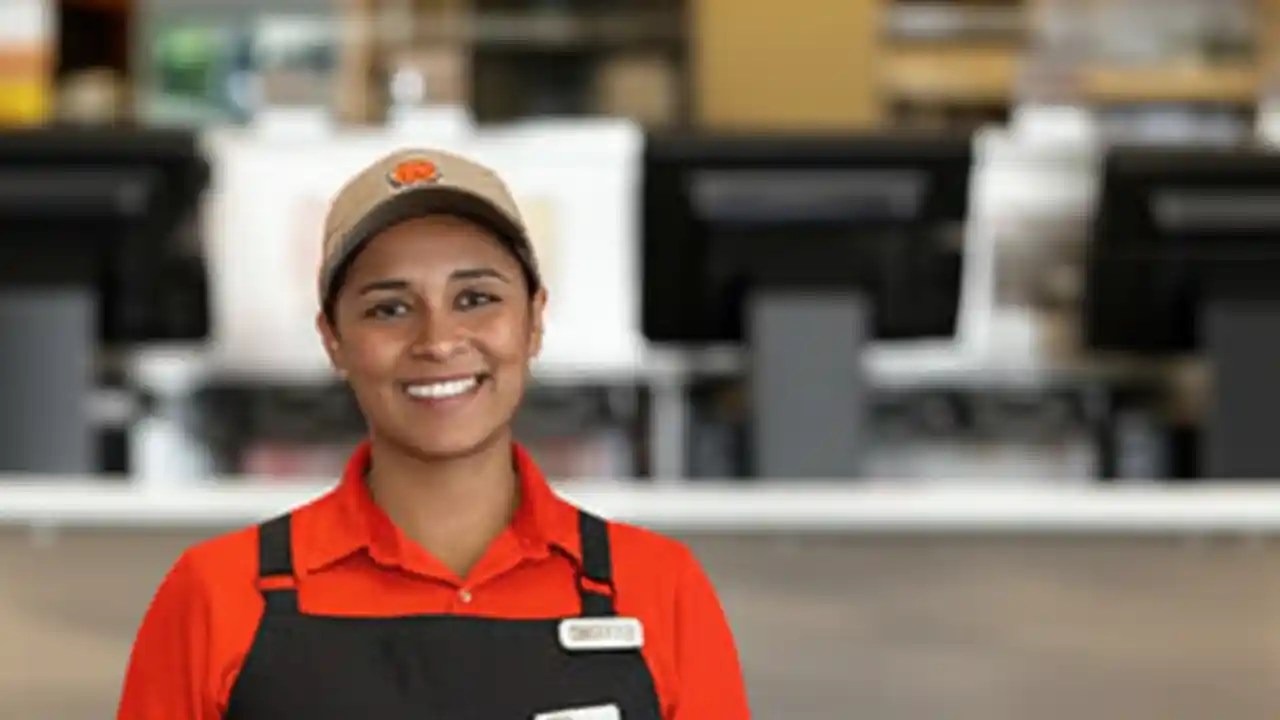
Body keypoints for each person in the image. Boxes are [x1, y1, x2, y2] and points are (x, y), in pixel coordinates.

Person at [116, 148, 751, 719]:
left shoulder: (659, 588)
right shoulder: (216, 595)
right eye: (389, 309)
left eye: (476, 298)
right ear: (333, 340)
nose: (439, 340)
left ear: (534, 321)